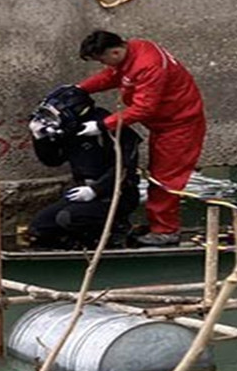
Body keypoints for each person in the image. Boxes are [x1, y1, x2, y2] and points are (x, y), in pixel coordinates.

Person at [76, 31, 206, 246]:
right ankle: (158, 225)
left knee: (165, 179)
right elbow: (113, 76)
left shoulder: (148, 66)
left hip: (179, 126)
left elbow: (144, 109)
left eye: (102, 59)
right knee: (159, 175)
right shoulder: (134, 50)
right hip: (165, 123)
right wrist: (80, 89)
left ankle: (165, 231)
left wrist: (102, 125)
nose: (103, 64)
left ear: (115, 51)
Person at [27, 84, 141, 249]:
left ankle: (117, 231)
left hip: (116, 194)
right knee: (40, 227)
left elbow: (125, 167)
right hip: (81, 192)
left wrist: (96, 190)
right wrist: (40, 139)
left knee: (69, 218)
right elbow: (53, 160)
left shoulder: (107, 126)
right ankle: (75, 245)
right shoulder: (69, 128)